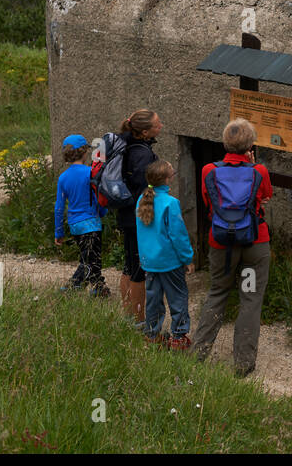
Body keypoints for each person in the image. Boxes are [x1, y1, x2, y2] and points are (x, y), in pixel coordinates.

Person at [192, 118, 273, 377]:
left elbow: (209, 201)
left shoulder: (209, 171)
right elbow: (266, 196)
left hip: (222, 243)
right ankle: (243, 363)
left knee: (217, 293)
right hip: (253, 244)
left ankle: (199, 353)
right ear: (251, 145)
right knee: (250, 298)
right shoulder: (259, 171)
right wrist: (250, 166)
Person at [135, 159, 195, 349]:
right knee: (178, 298)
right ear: (168, 179)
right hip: (169, 261)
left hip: (149, 261)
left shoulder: (142, 199)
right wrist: (188, 259)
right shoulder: (171, 203)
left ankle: (152, 334)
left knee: (153, 298)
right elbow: (178, 235)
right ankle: (178, 337)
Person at [114, 109, 162, 324]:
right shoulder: (142, 154)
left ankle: (127, 313)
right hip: (137, 217)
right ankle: (139, 320)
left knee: (128, 264)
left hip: (125, 213)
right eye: (157, 124)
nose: (160, 126)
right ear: (144, 132)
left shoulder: (127, 146)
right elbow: (145, 189)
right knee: (139, 269)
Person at [54, 134, 109, 296]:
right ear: (85, 152)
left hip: (75, 225)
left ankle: (90, 287)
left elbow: (59, 207)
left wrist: (59, 232)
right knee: (92, 259)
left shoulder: (63, 178)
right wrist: (102, 212)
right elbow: (98, 197)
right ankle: (84, 287)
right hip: (91, 222)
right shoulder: (90, 173)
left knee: (88, 257)